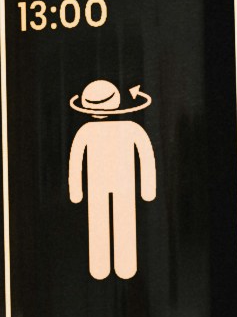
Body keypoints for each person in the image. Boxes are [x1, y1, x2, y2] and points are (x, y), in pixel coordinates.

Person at [61, 78, 164, 281]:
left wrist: (148, 188)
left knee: (122, 221)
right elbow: (76, 161)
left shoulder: (125, 129)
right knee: (100, 222)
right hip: (101, 186)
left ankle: (123, 266)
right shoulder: (91, 131)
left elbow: (145, 155)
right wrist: (76, 191)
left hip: (119, 186)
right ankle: (103, 267)